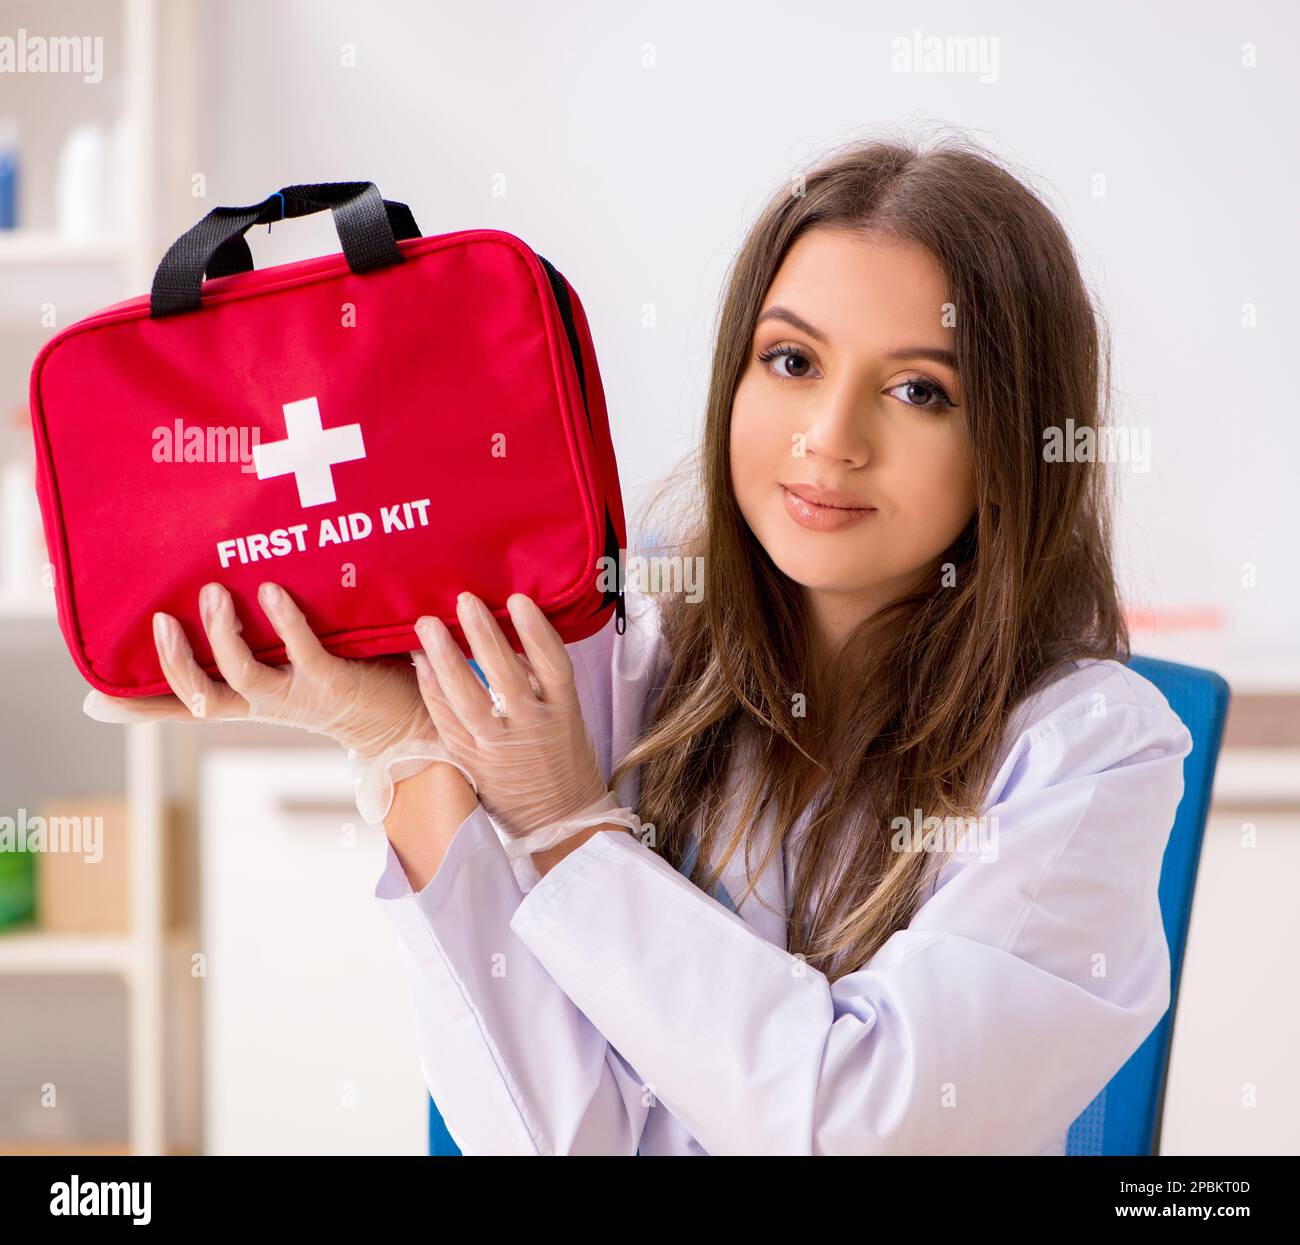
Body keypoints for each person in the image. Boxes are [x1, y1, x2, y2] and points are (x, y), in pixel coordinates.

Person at [85, 133, 1193, 1156]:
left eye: (918, 390)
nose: (828, 439)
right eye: (792, 362)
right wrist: (410, 748)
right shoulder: (630, 668)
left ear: (1014, 441)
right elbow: (561, 1139)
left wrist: (572, 838)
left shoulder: (1088, 750)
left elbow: (864, 1128)